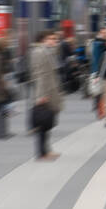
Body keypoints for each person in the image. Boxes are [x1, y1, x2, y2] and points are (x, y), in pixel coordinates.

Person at [30, 31, 63, 160]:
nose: (54, 41)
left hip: (51, 91)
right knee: (43, 123)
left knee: (48, 123)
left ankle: (47, 150)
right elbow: (39, 75)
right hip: (45, 92)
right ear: (44, 39)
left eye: (55, 39)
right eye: (51, 38)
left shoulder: (48, 52)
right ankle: (41, 153)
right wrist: (41, 95)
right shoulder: (40, 53)